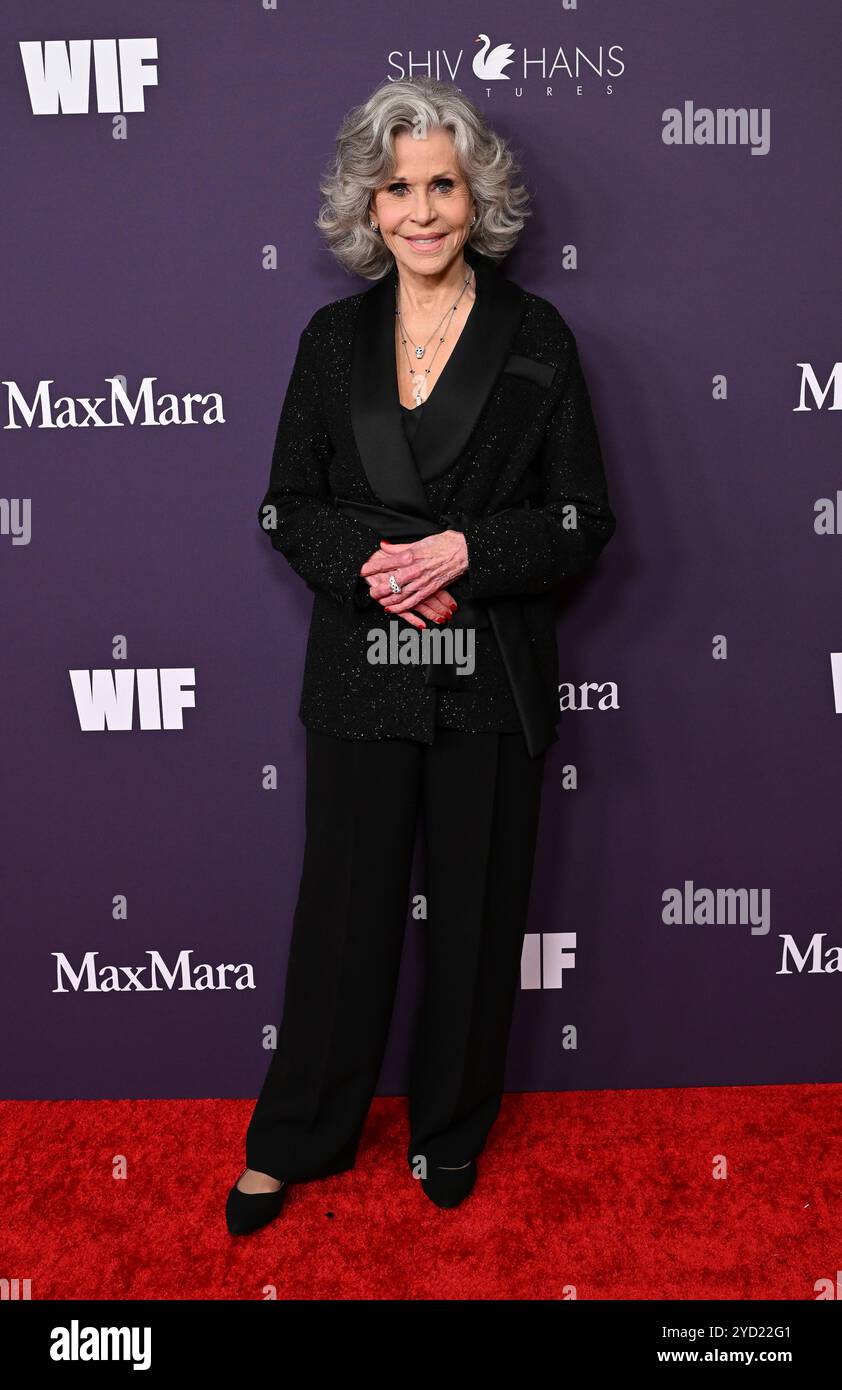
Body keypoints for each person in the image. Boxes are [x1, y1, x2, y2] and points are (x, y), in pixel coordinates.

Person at [226, 76, 616, 1235]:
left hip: (487, 667)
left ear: (475, 193)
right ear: (366, 205)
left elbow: (580, 519)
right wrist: (385, 573)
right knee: (339, 917)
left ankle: (449, 1129)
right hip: (360, 664)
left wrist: (458, 553)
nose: (421, 209)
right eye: (396, 188)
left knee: (481, 915)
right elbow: (287, 507)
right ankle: (300, 1133)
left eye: (441, 183)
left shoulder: (536, 337)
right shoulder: (329, 338)